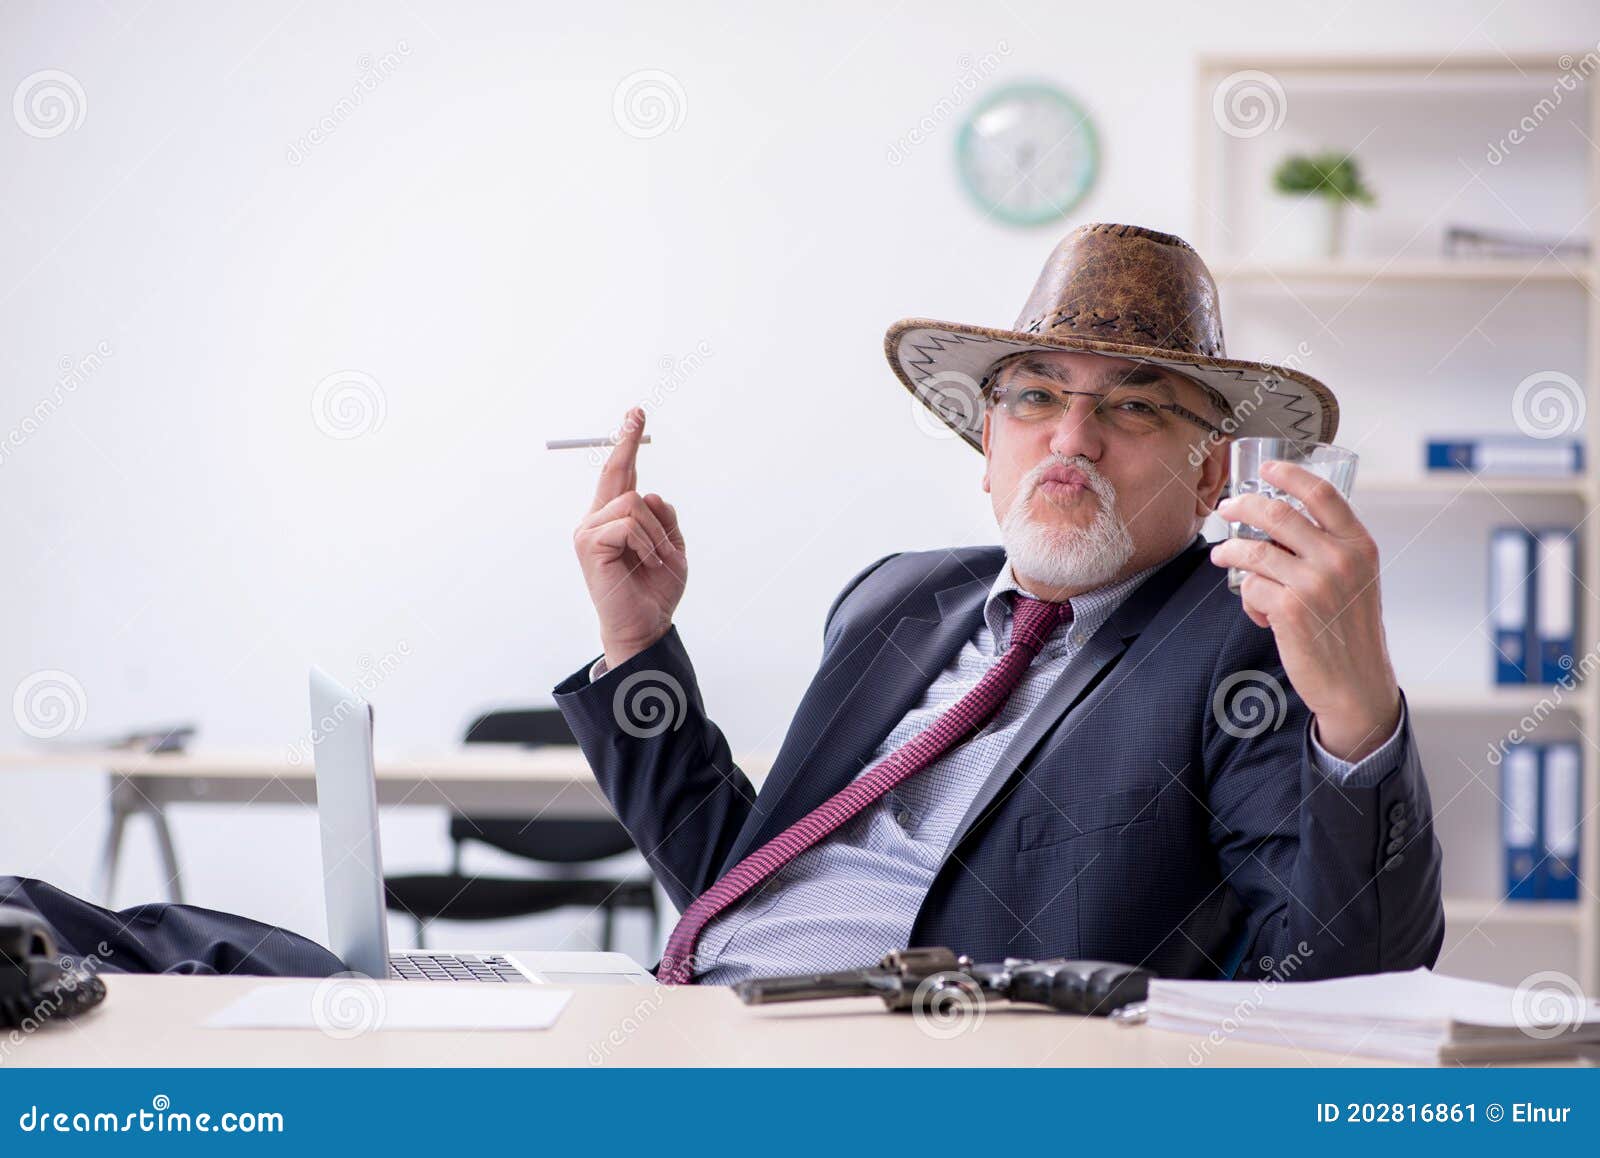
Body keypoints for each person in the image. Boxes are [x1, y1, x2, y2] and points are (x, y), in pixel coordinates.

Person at [554, 222, 1443, 986]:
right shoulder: (893, 597)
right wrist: (636, 643)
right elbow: (737, 887)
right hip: (699, 1021)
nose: (1071, 438)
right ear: (988, 441)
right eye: (1036, 395)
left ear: (1210, 473)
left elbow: (1347, 978)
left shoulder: (1246, 634)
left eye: (1135, 406)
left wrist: (1360, 719)